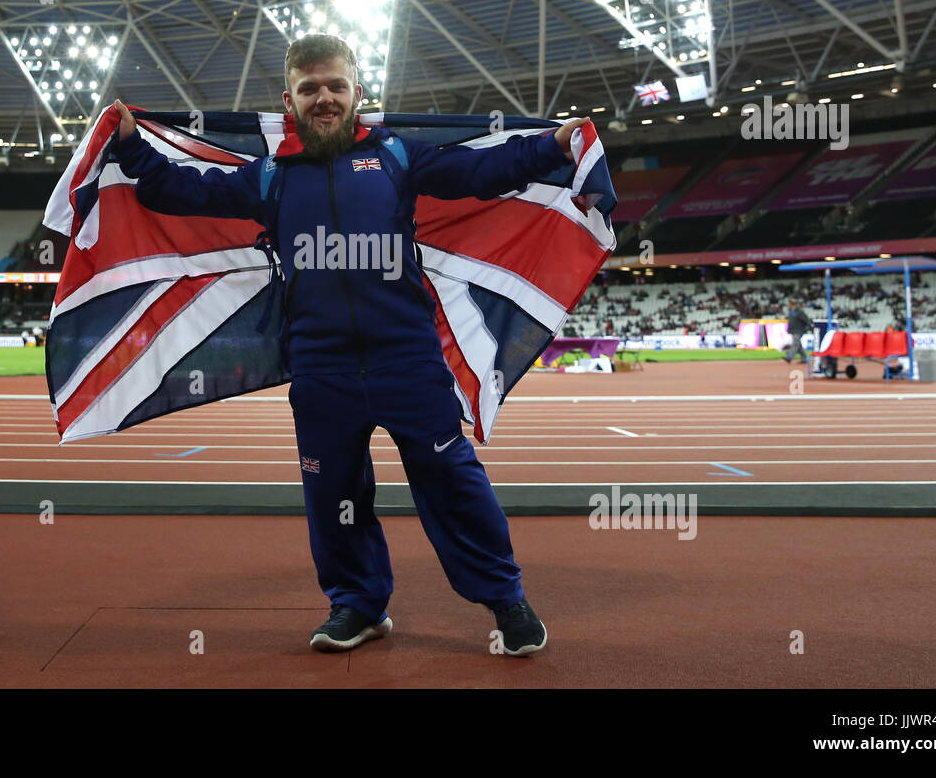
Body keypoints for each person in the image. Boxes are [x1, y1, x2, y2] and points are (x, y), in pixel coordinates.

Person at [112, 32, 589, 657]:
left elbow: (480, 170)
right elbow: (182, 191)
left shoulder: (396, 158)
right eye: (310, 89)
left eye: (336, 86)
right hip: (320, 367)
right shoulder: (269, 178)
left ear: (357, 92)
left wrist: (551, 143)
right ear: (291, 101)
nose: (325, 98)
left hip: (408, 360)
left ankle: (506, 600)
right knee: (333, 494)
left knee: (453, 480)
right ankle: (357, 605)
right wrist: (130, 148)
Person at [783, 297, 812, 364]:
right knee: (799, 346)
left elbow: (806, 320)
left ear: (792, 304)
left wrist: (809, 327)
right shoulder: (791, 311)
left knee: (795, 344)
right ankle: (804, 358)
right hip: (793, 330)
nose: (788, 305)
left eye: (789, 303)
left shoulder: (799, 312)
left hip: (798, 330)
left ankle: (789, 357)